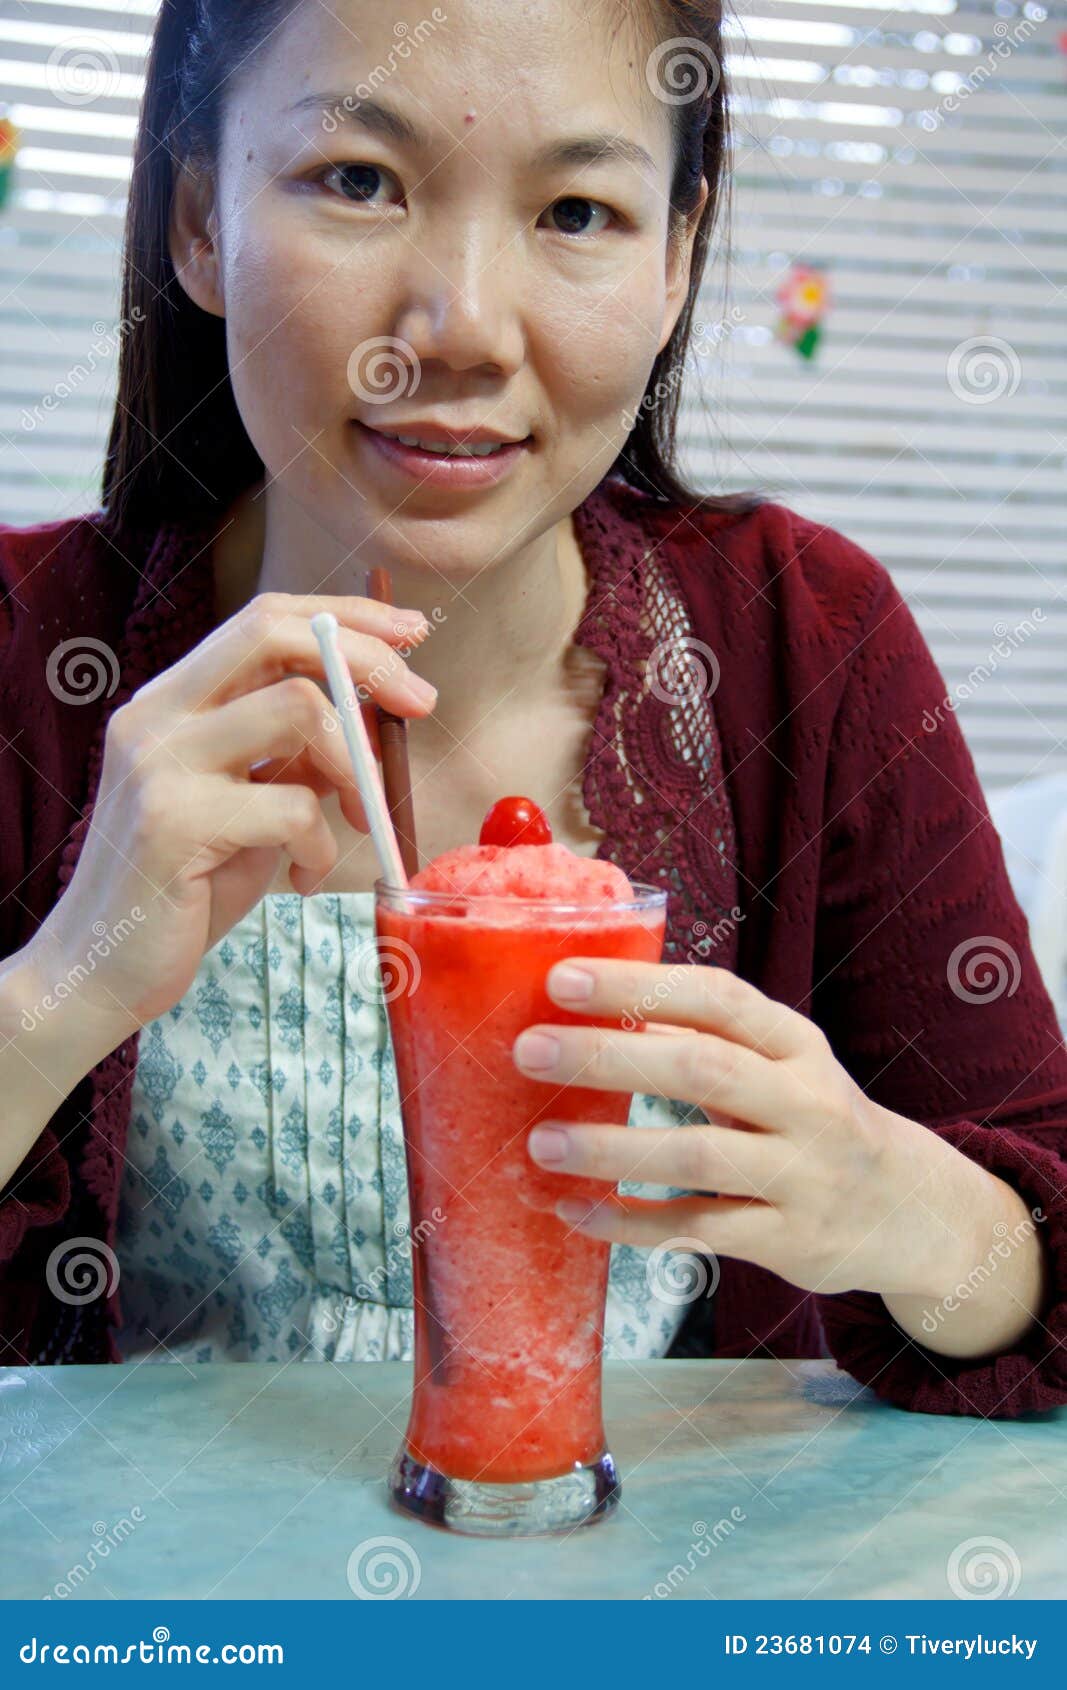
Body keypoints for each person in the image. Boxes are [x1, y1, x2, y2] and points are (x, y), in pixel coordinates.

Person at [2, 0, 1066, 1419]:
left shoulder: (808, 645)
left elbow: (1039, 1248)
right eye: (359, 181)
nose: (462, 328)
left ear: (679, 256)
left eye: (577, 208)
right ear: (200, 216)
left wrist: (903, 1203)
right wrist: (59, 988)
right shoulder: (33, 652)